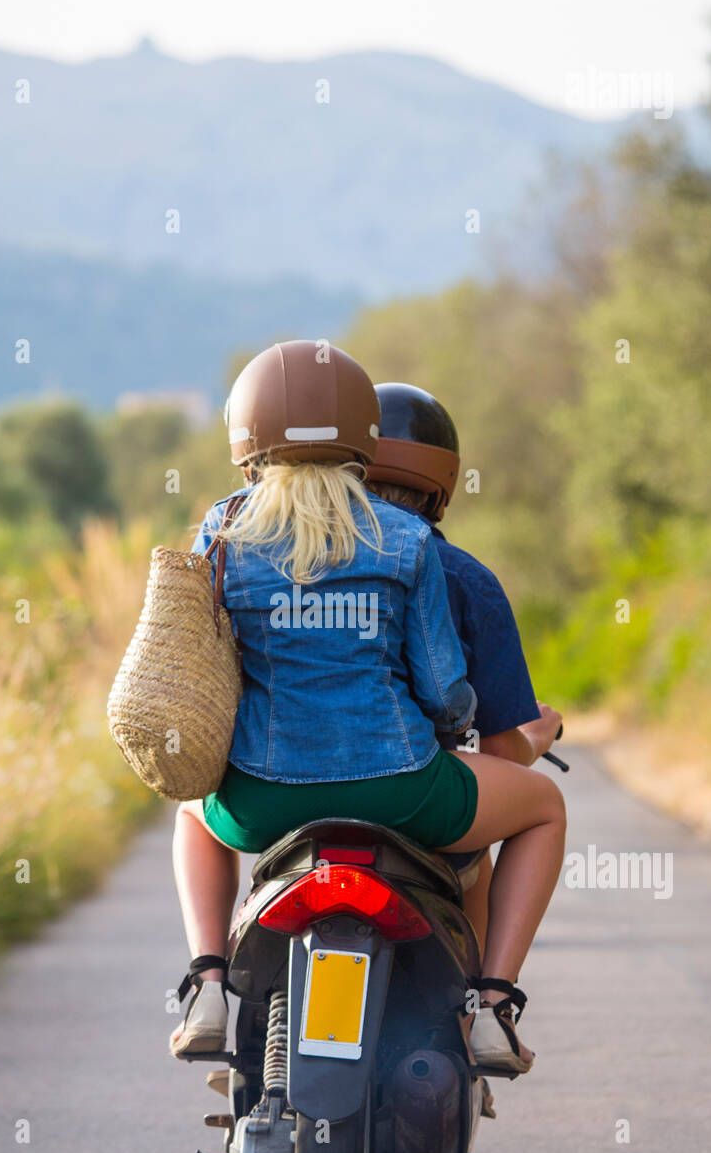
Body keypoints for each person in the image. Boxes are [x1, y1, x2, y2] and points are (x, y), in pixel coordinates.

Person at [170, 341, 566, 1078]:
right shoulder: (408, 539)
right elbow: (447, 692)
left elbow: (198, 664)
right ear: (363, 433)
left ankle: (209, 983)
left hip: (262, 798)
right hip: (401, 789)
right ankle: (491, 1005)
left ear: (245, 439)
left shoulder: (223, 531)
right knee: (543, 806)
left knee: (193, 811)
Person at [365, 382, 563, 952]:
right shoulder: (461, 574)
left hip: (281, 789)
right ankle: (493, 1001)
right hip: (415, 792)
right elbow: (499, 754)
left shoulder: (292, 556)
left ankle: (208, 975)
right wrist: (536, 736)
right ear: (442, 483)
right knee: (528, 813)